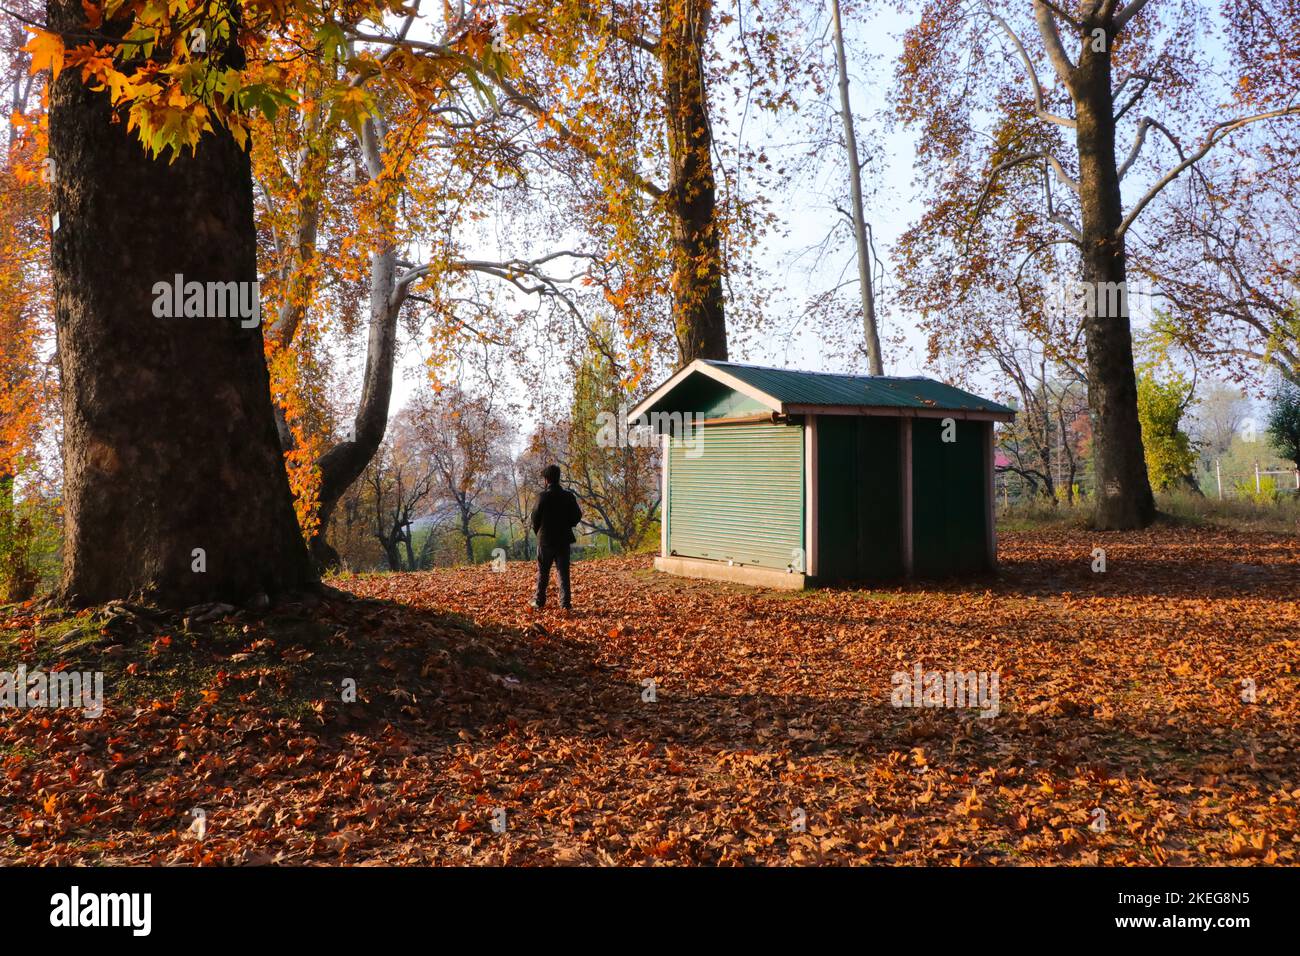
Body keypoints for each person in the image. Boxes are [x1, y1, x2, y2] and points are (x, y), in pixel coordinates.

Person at [530, 464, 582, 609]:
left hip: (545, 540)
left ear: (546, 480)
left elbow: (534, 518)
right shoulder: (568, 496)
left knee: (543, 572)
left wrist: (539, 532)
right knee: (563, 573)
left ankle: (539, 602)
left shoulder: (542, 497)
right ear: (558, 478)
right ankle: (565, 604)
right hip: (563, 540)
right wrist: (568, 525)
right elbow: (577, 516)